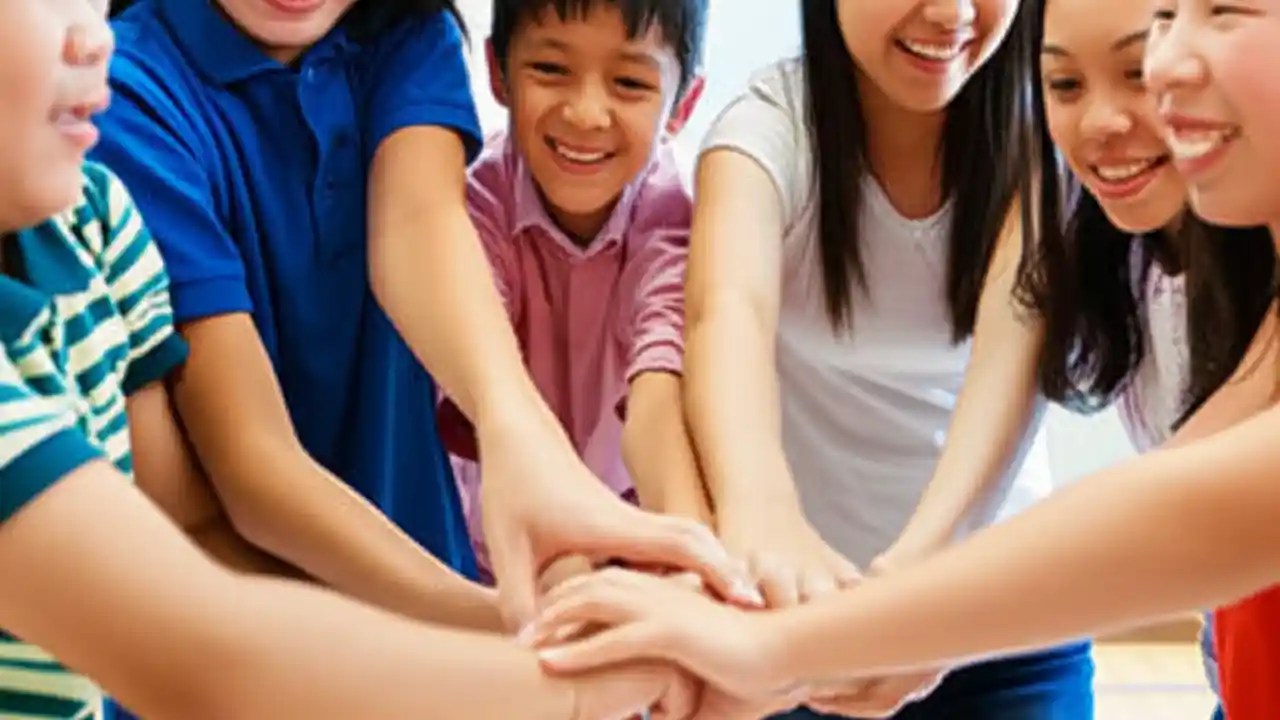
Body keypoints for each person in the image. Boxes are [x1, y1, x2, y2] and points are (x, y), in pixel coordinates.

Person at [521, 8, 1280, 720]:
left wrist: (792, 641)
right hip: (875, 597)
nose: (1171, 68)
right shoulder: (773, 135)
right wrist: (770, 541)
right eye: (1065, 82)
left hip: (970, 617)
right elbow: (721, 317)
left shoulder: (1048, 162)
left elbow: (1182, 516)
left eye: (1221, 9)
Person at [0, 3, 700, 719]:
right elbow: (216, 627)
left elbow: (188, 529)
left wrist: (521, 454)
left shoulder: (95, 219)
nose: (91, 37)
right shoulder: (125, 101)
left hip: (403, 609)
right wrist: (582, 665)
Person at [673, 0, 1091, 715]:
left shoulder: (1046, 140)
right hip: (806, 609)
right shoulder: (762, 134)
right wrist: (759, 513)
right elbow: (726, 311)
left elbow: (1013, 362)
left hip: (1002, 619)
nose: (952, 14)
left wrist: (922, 575)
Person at [441, 0, 716, 586]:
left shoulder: (674, 220)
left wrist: (695, 557)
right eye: (550, 69)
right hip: (489, 543)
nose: (587, 114)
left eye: (630, 83)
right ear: (497, 74)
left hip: (632, 538)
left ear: (683, 106)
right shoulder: (474, 205)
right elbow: (483, 390)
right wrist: (562, 577)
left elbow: (658, 401)